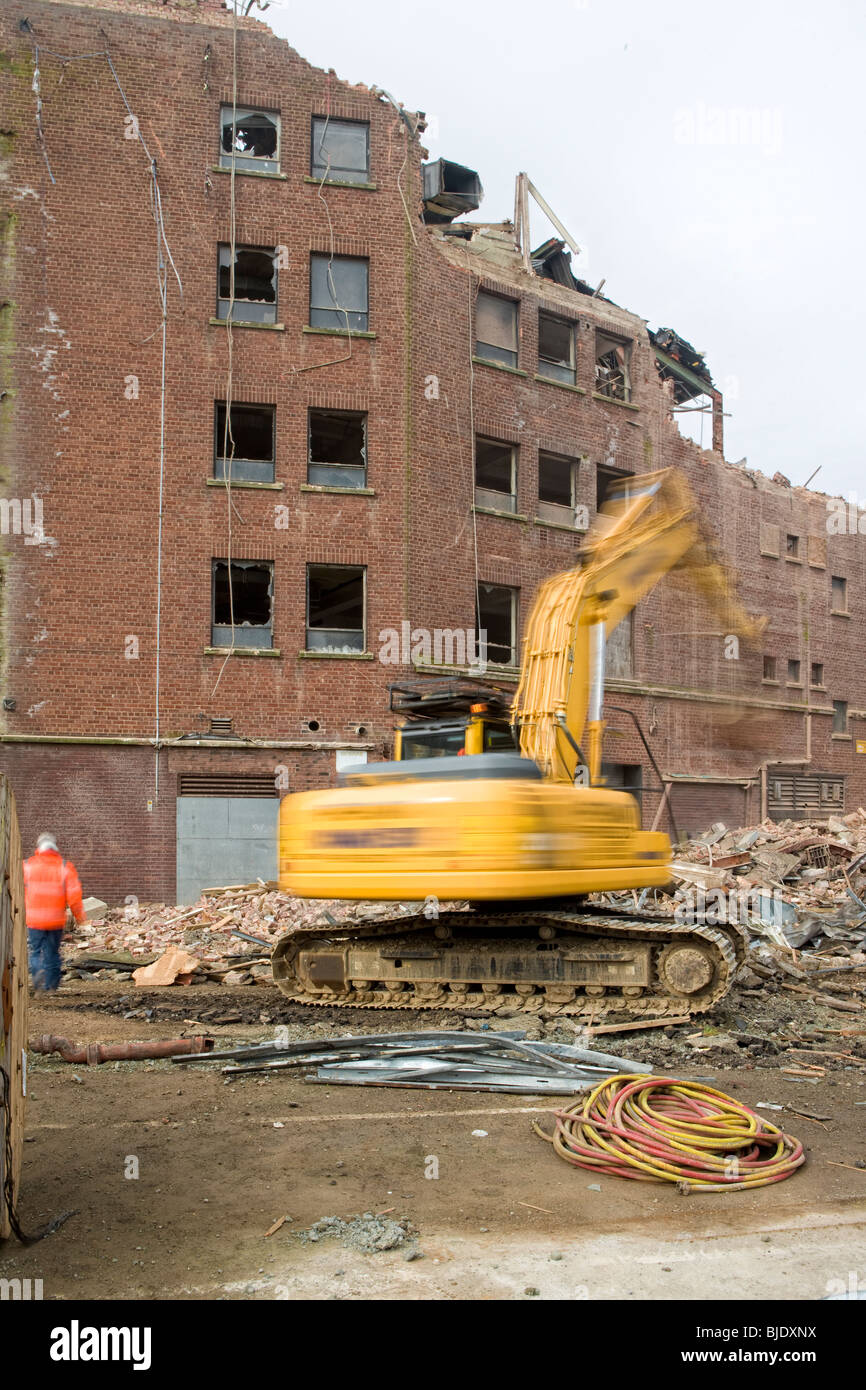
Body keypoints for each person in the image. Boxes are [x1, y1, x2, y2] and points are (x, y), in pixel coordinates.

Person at [23, 833, 87, 991]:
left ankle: (38, 976)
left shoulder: (27, 866)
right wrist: (79, 916)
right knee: (52, 952)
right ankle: (51, 986)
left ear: (39, 848)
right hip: (55, 920)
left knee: (36, 951)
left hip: (34, 919)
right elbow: (74, 895)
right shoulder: (64, 867)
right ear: (55, 848)